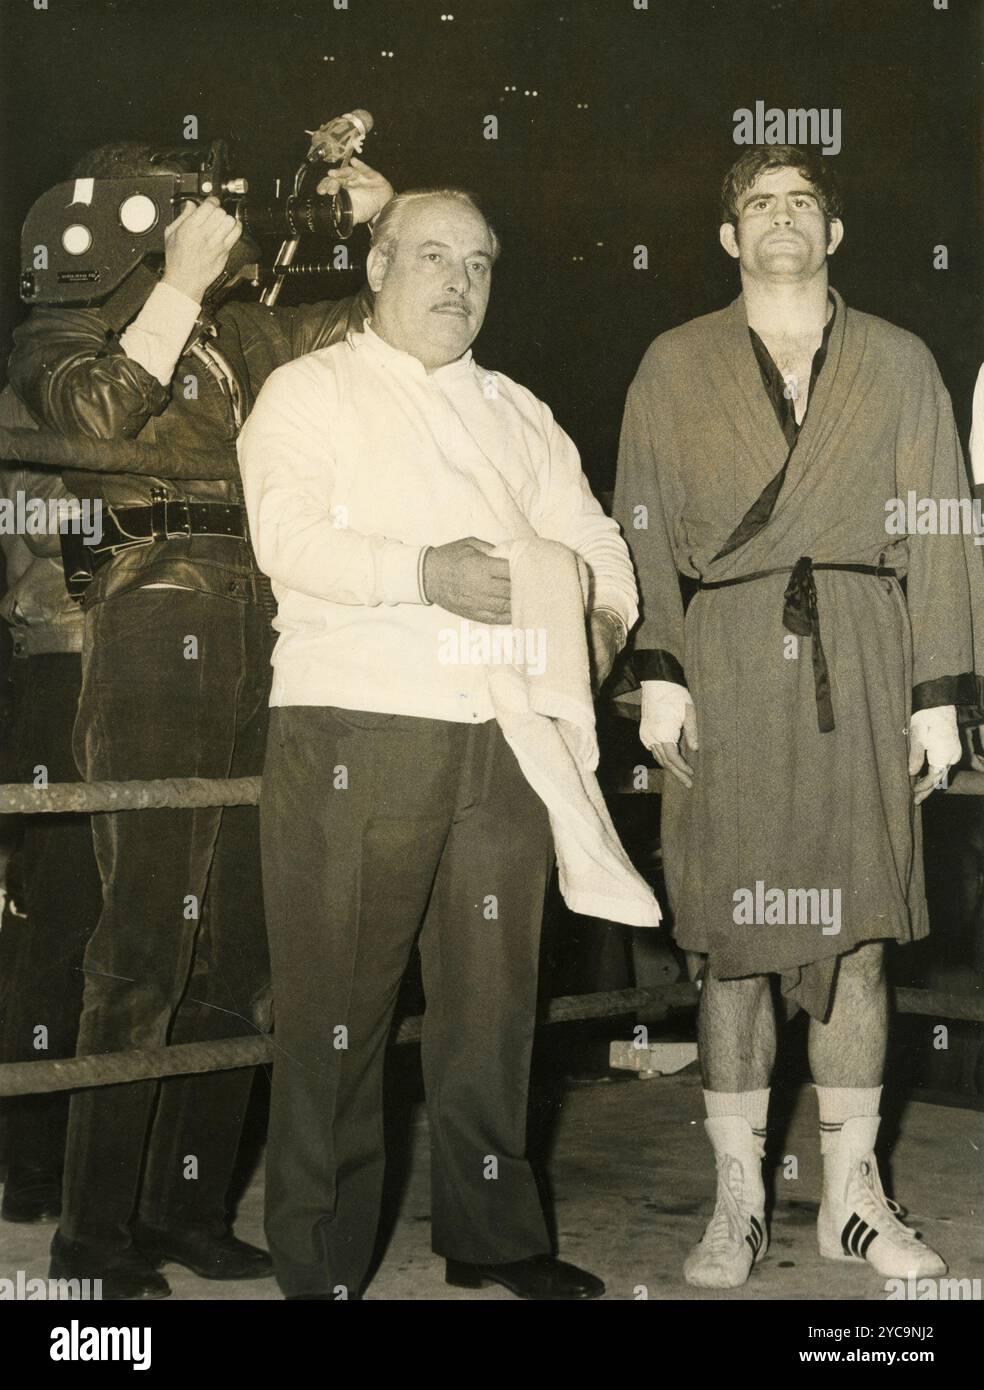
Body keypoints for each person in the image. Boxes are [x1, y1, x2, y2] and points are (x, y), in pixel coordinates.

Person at [5, 140, 393, 1298]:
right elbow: (101, 419)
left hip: (262, 617)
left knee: (243, 937)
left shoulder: (232, 345)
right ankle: (94, 1235)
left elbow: (365, 327)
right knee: (139, 935)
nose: (214, 228)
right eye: (185, 216)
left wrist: (378, 227)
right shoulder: (56, 342)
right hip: (150, 614)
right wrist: (176, 288)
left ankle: (184, 1205)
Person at [237, 188, 640, 1300]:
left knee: (491, 1006)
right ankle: (317, 1264)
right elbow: (288, 537)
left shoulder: (519, 409)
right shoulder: (307, 389)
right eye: (429, 255)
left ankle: (493, 1237)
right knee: (335, 1010)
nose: (456, 281)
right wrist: (429, 572)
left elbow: (595, 535)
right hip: (355, 728)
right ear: (374, 268)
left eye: (478, 261)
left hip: (506, 732)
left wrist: (602, 621)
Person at [613, 145, 984, 1289]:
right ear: (730, 238)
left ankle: (852, 1199)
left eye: (803, 204)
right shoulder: (673, 363)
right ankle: (738, 1198)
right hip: (725, 661)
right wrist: (660, 666)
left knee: (861, 937)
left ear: (834, 232)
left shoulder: (901, 360)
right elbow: (639, 512)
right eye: (758, 206)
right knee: (729, 941)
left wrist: (939, 696)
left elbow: (939, 531)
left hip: (866, 661)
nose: (781, 221)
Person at [0, 435, 101, 1225]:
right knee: (62, 912)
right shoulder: (43, 372)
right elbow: (40, 520)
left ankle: (116, 1158)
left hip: (168, 664)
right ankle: (33, 1158)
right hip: (68, 662)